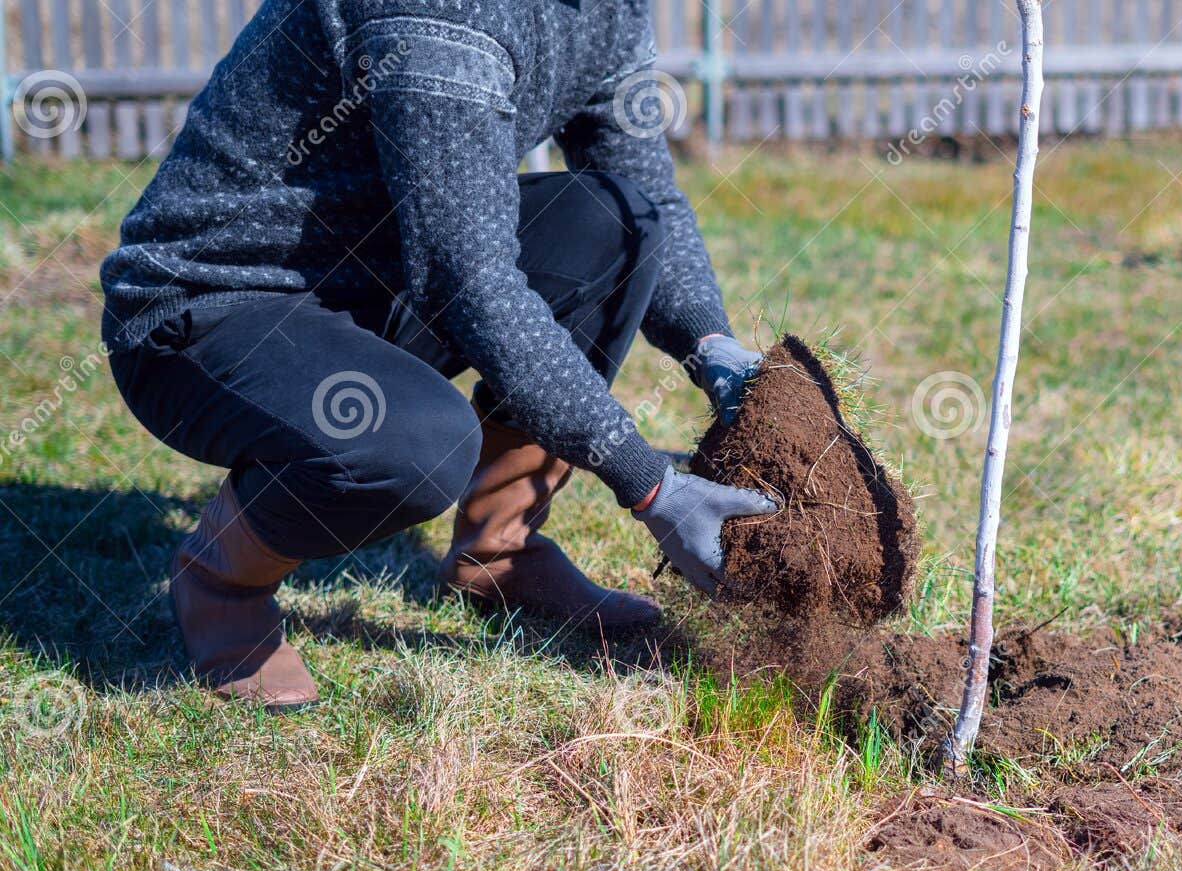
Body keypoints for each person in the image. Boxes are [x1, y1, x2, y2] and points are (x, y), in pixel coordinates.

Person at [99, 0, 779, 712]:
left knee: (618, 220)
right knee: (421, 445)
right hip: (212, 305)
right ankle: (220, 581)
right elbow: (469, 282)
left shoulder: (610, 9)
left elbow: (652, 196)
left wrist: (713, 347)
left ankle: (499, 551)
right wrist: (652, 487)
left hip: (375, 280)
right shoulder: (441, 12)